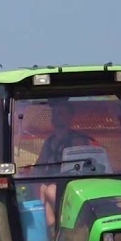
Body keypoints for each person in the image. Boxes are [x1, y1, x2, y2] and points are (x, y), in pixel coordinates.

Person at [36, 98, 96, 229]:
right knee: (44, 189)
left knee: (50, 191)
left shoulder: (79, 139)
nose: (57, 117)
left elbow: (87, 166)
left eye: (61, 113)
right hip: (55, 181)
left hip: (77, 183)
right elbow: (39, 165)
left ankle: (65, 227)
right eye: (55, 113)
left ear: (70, 117)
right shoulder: (49, 142)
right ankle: (54, 233)